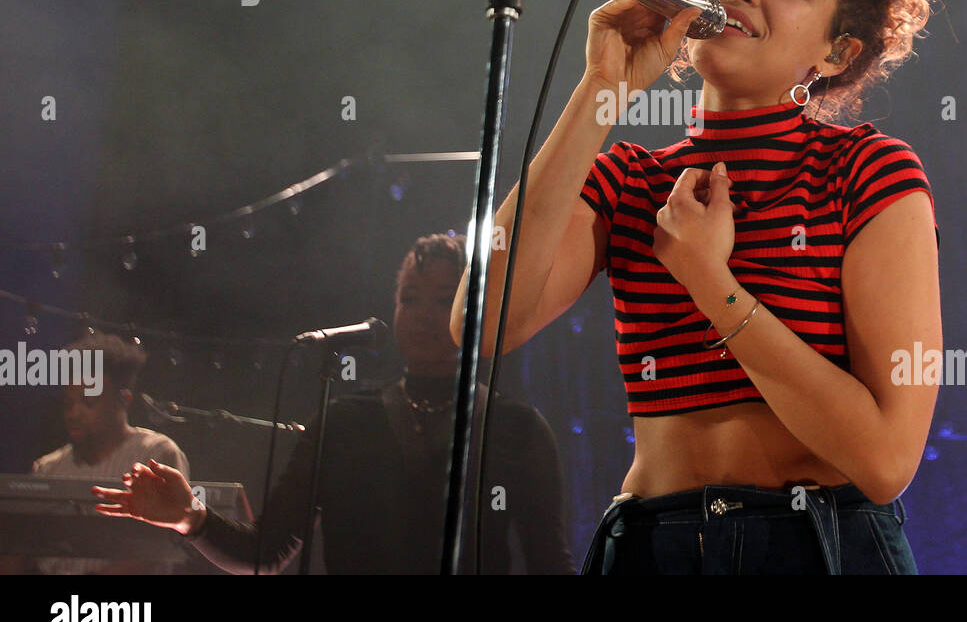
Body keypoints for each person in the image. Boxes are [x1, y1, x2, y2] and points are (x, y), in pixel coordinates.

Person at [452, 0, 963, 574]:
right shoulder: (630, 179)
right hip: (650, 547)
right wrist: (600, 91)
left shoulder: (868, 173)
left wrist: (709, 282)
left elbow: (887, 460)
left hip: (813, 545)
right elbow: (478, 325)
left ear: (838, 50)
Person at [93, 233, 576, 574]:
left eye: (444, 298)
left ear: (472, 311)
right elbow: (267, 550)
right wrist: (190, 517)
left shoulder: (516, 430)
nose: (424, 314)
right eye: (410, 298)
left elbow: (550, 564)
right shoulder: (344, 423)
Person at [31, 331, 190, 574]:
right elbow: (18, 548)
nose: (74, 414)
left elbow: (153, 546)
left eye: (88, 402)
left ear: (123, 400)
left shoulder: (157, 454)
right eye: (68, 404)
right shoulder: (47, 468)